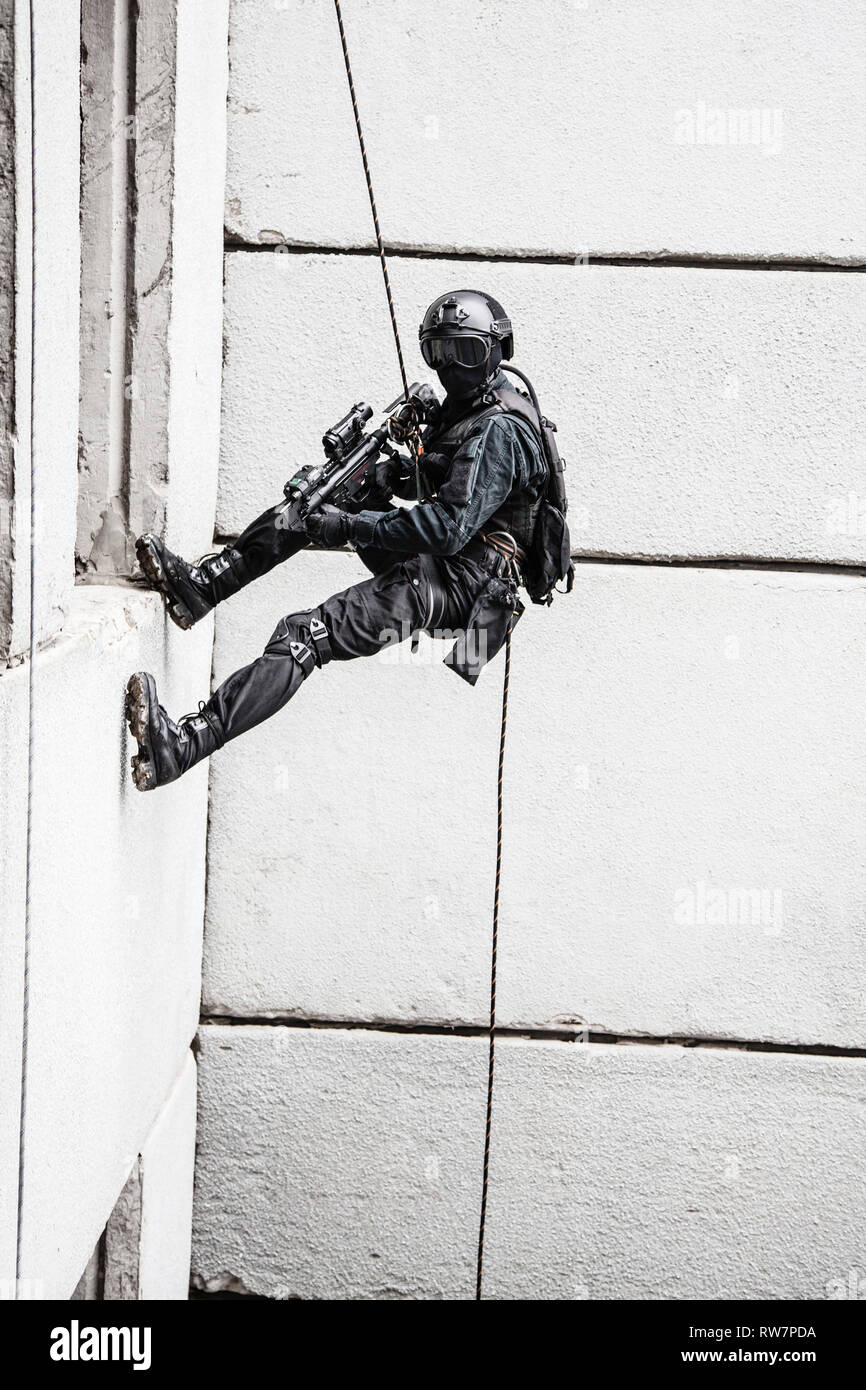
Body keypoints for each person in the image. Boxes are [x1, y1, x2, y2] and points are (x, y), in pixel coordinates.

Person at [125, 289, 550, 790]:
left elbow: (447, 528)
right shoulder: (471, 406)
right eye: (439, 353)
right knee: (321, 498)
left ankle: (183, 746)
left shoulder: (500, 428)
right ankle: (206, 585)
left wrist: (348, 527)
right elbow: (447, 480)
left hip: (459, 583)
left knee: (306, 637)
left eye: (465, 353)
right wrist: (386, 477)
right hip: (449, 561)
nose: (450, 367)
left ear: (496, 350)